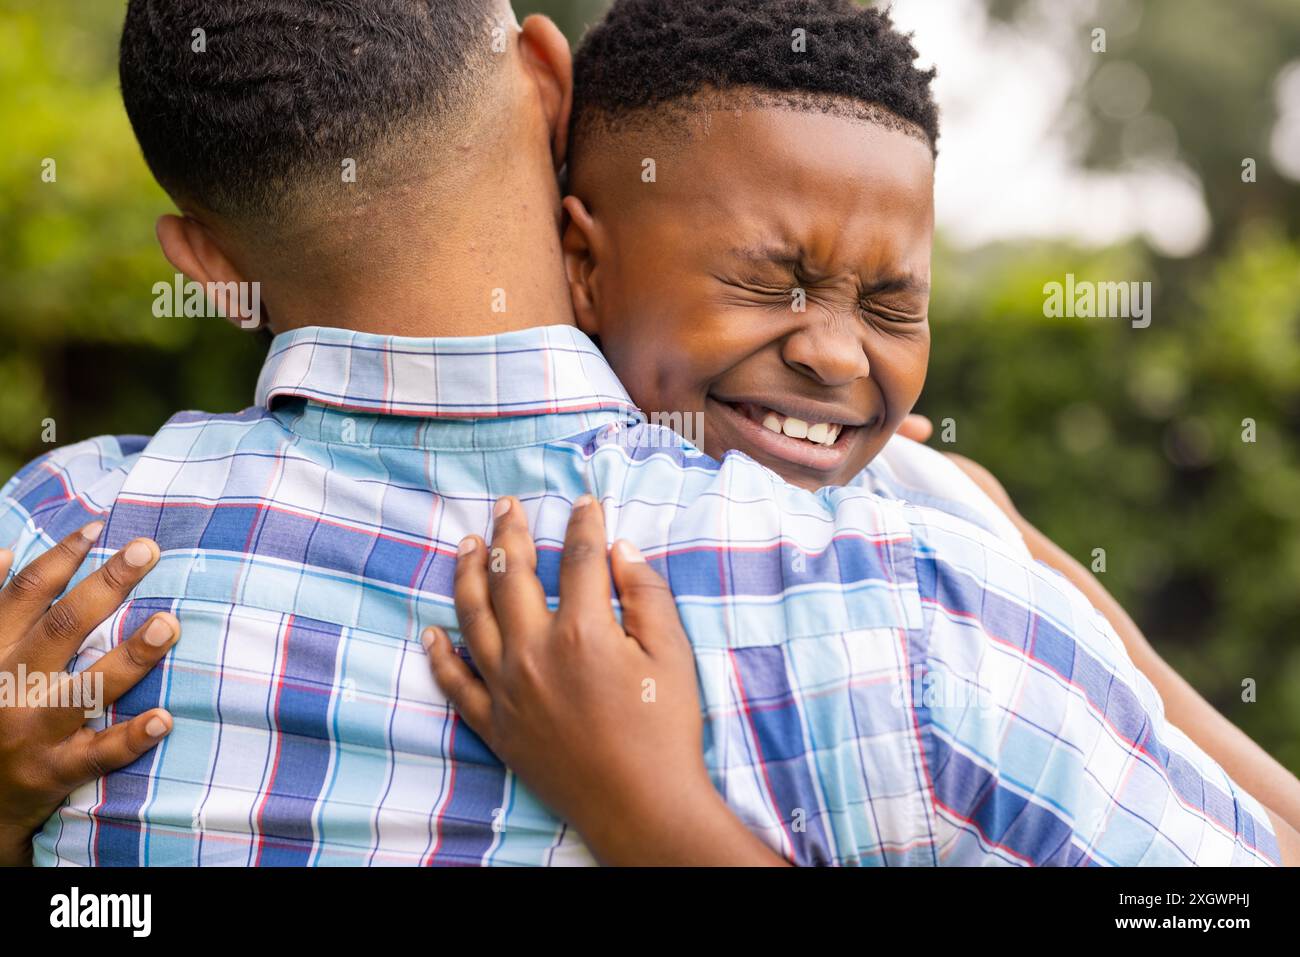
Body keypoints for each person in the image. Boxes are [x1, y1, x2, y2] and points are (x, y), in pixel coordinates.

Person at [0, 0, 1292, 865]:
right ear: (547, 81)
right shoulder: (913, 596)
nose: (831, 351)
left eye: (890, 301)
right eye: (766, 279)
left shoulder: (50, 563)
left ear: (207, 263)